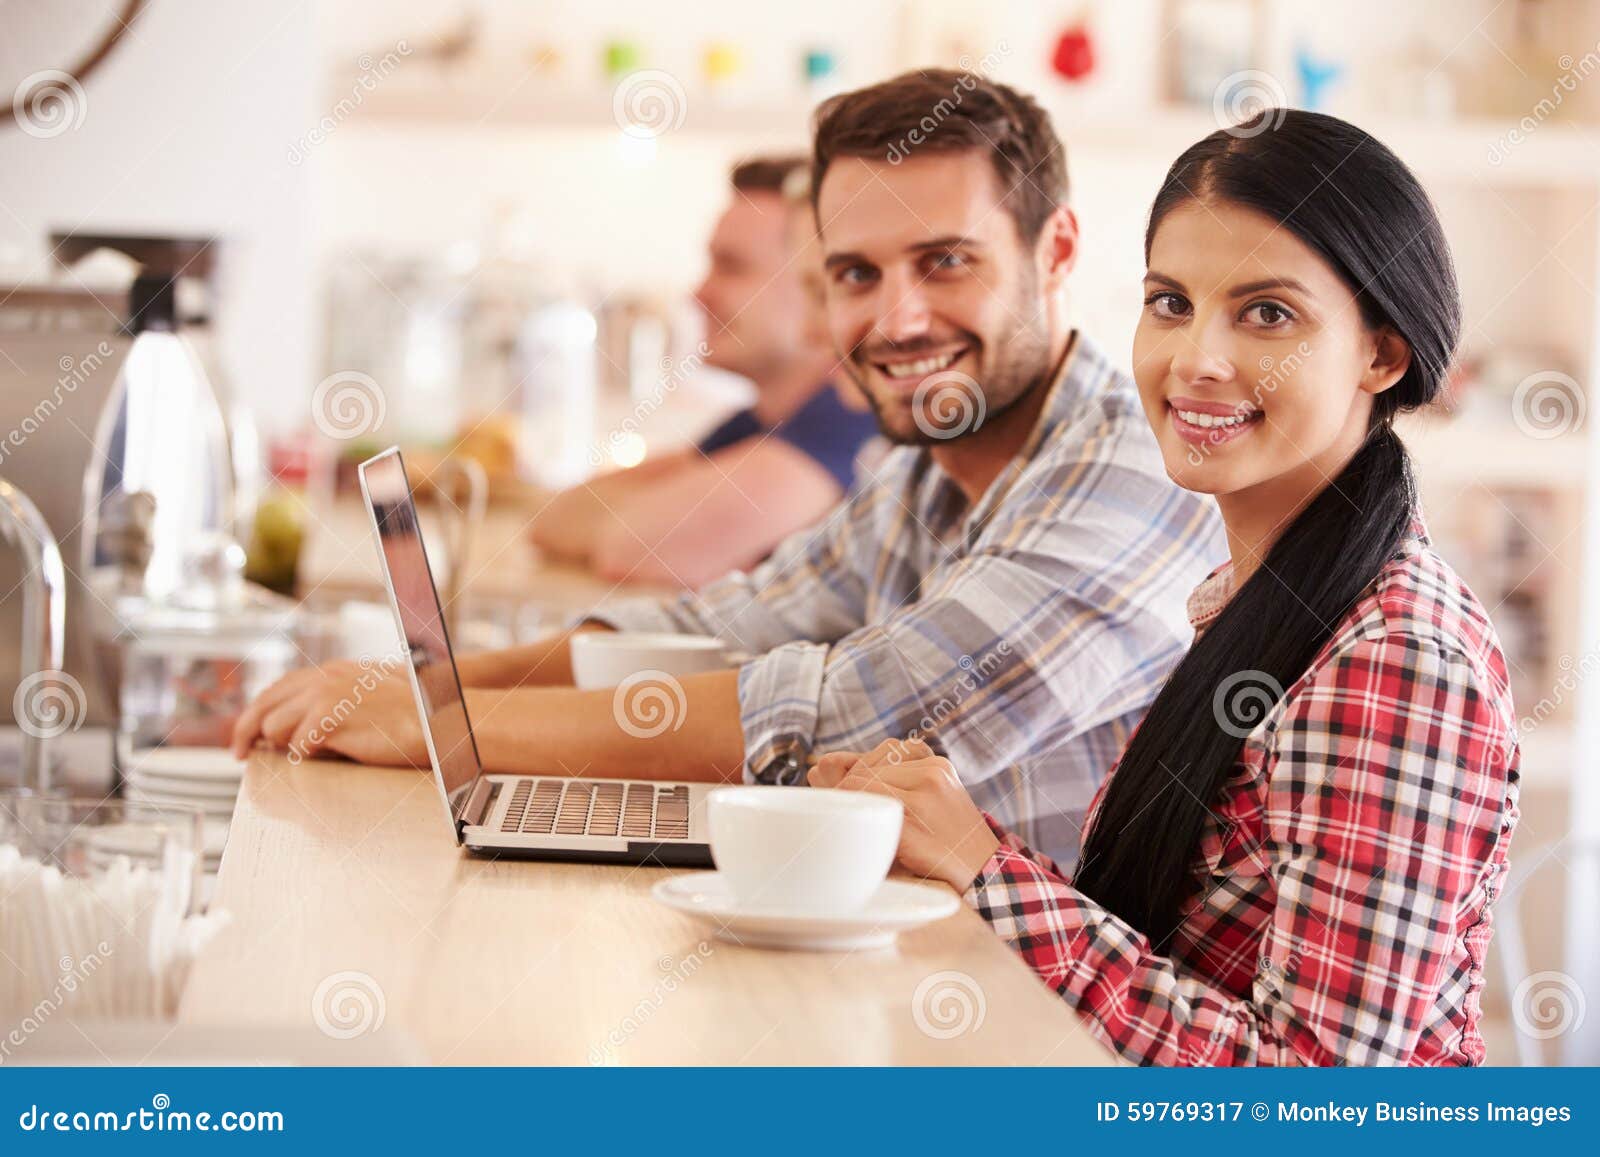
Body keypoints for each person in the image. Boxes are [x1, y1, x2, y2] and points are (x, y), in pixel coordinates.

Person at [231, 72, 1225, 868]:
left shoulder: (1136, 461)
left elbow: (862, 708)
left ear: (1055, 250)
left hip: (1051, 1040)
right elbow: (719, 625)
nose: (896, 318)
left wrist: (440, 728)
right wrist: (423, 684)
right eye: (854, 274)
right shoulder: (921, 472)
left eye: (945, 262)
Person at [813, 110, 1521, 1066]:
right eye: (1171, 303)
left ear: (1381, 355)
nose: (1195, 360)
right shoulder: (1261, 602)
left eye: (1267, 313)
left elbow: (1327, 1099)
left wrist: (982, 866)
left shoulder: (1395, 658)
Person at [527, 156, 877, 588]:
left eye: (732, 266)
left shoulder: (850, 418)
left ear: (817, 284)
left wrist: (648, 516)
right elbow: (559, 517)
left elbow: (637, 551)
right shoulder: (756, 424)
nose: (699, 293)